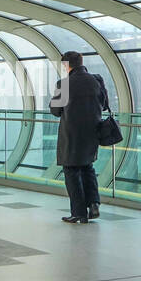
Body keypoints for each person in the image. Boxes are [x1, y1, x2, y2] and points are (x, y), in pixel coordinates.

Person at [49, 50, 109, 223]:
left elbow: (55, 110)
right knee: (87, 167)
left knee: (71, 170)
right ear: (81, 62)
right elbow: (104, 105)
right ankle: (94, 203)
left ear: (67, 65)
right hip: (92, 132)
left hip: (71, 134)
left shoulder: (65, 84)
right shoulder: (96, 80)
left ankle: (79, 212)